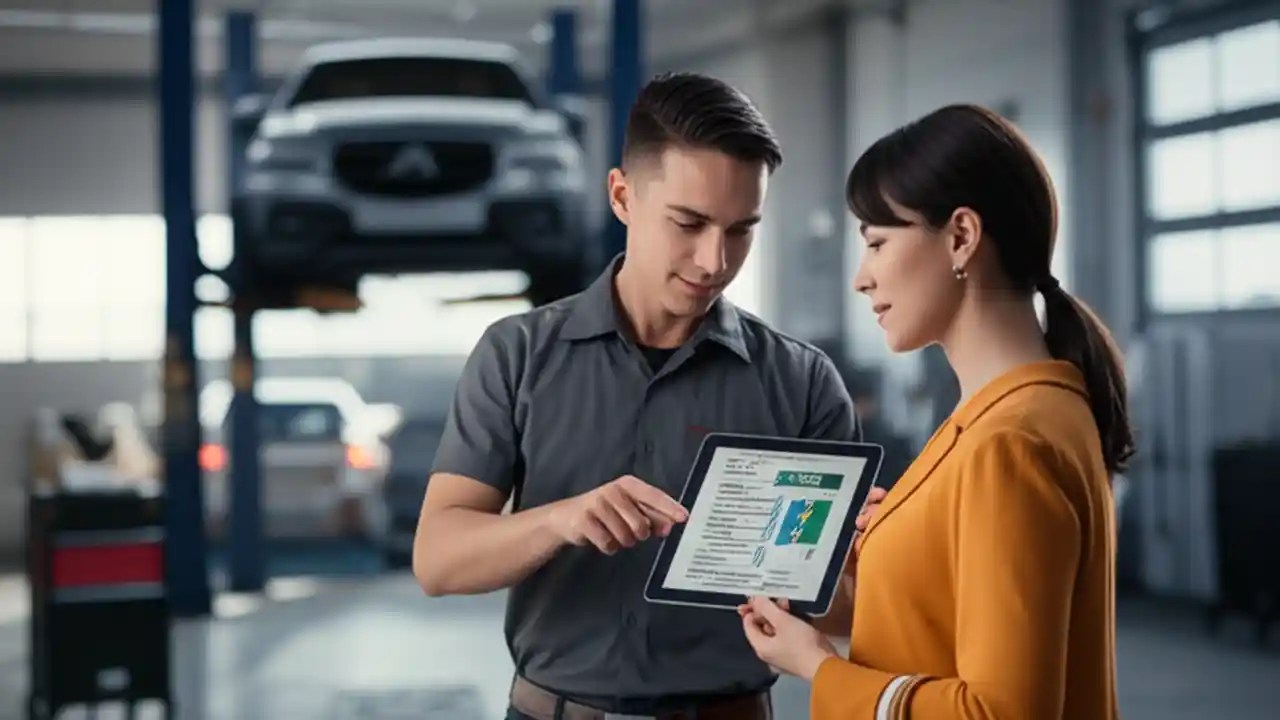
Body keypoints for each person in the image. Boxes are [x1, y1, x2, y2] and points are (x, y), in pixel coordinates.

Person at [413, 71, 864, 720]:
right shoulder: (517, 355)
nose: (714, 260)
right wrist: (558, 520)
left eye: (741, 230)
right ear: (622, 196)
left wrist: (816, 566)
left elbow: (847, 606)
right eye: (689, 222)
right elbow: (438, 561)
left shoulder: (802, 381)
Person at [738, 104, 1133, 720]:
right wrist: (864, 562)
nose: (862, 279)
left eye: (876, 243)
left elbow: (1000, 712)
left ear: (961, 237)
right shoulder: (1014, 415)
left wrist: (819, 667)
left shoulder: (1009, 442)